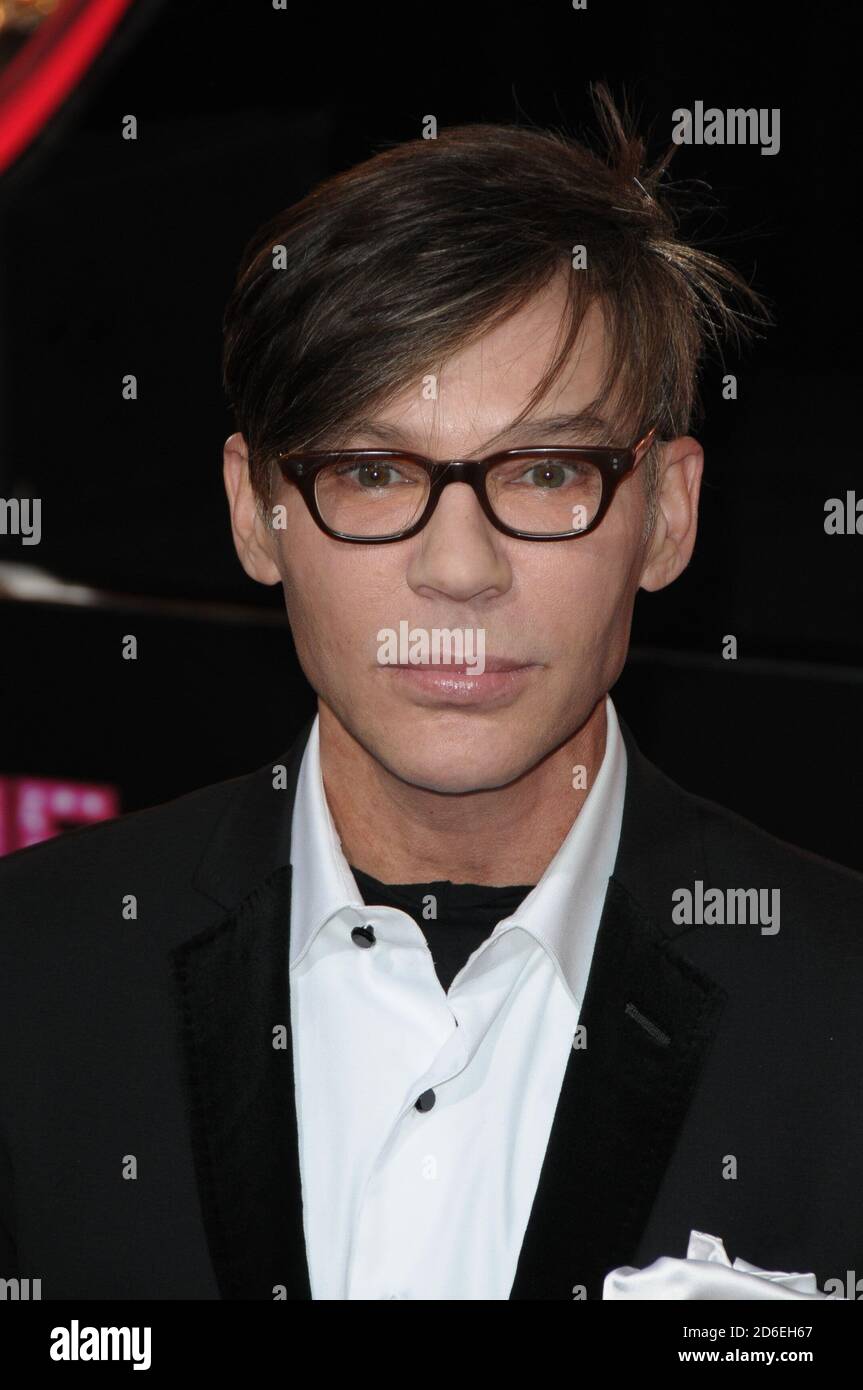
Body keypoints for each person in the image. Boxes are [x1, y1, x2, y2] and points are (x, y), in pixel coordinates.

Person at [1, 87, 861, 1302]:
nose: (458, 569)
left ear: (666, 513)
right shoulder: (31, 979)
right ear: (258, 512)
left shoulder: (840, 1013)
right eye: (369, 470)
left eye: (548, 468)